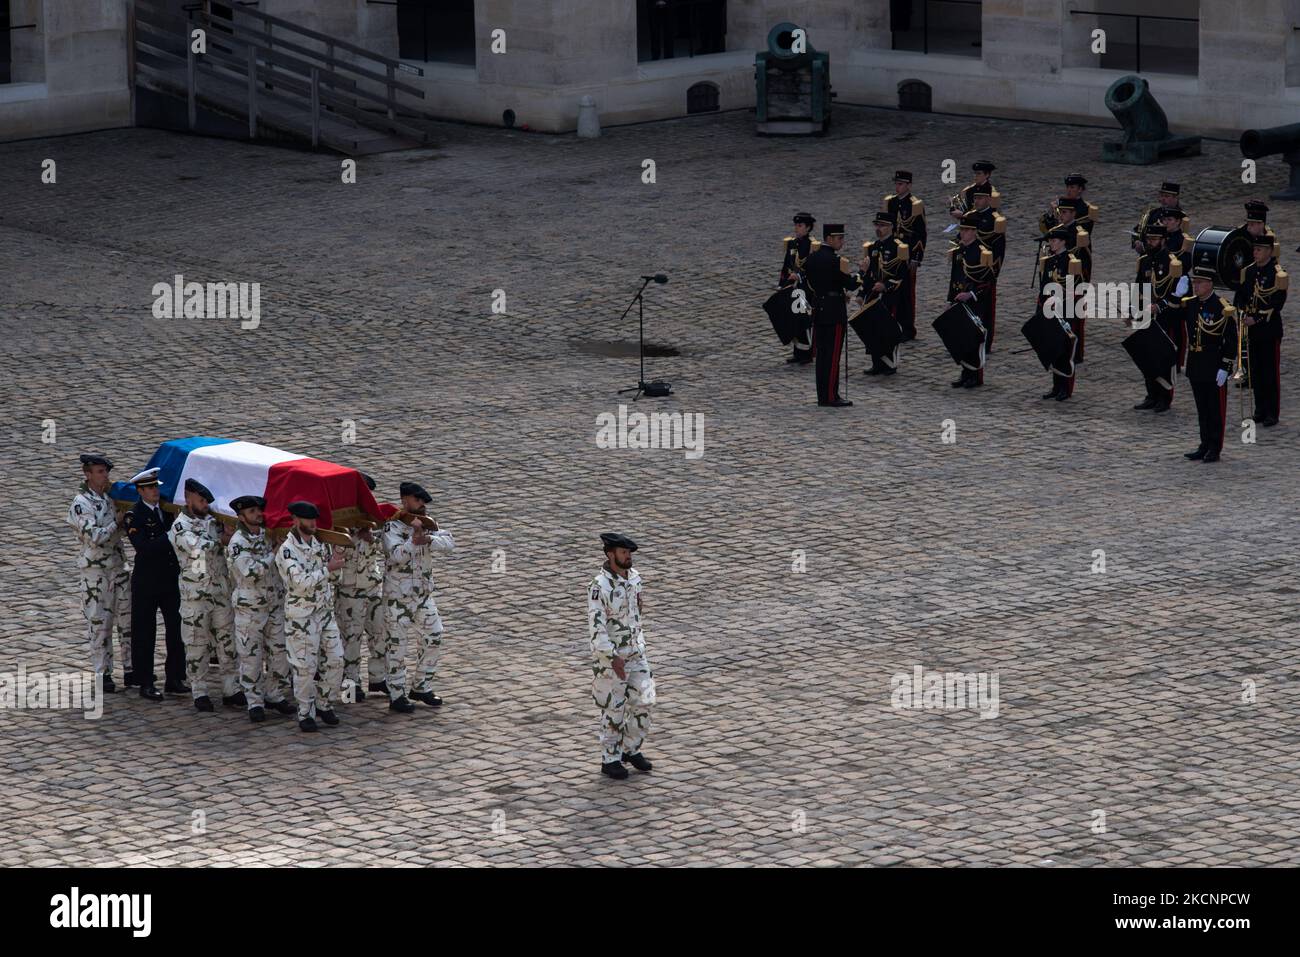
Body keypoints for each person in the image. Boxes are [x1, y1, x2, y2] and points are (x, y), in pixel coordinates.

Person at [381, 482, 456, 712]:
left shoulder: (428, 524)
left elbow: (450, 543)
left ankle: (421, 685)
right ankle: (396, 695)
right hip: (397, 598)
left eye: (423, 501)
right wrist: (413, 541)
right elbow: (395, 556)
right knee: (397, 647)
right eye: (418, 500)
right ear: (405, 500)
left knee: (434, 635)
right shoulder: (391, 527)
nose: (422, 504)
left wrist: (429, 539)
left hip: (422, 596)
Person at [168, 478, 239, 712]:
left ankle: (231, 689)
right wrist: (222, 539)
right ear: (188, 498)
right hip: (195, 596)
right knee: (197, 645)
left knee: (227, 642)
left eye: (208, 501)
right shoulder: (179, 526)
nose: (206, 505)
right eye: (201, 500)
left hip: (219, 591)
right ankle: (199, 691)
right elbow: (197, 546)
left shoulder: (212, 521)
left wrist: (228, 533)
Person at [275, 500, 346, 732]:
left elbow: (336, 579)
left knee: (336, 659)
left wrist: (337, 561)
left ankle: (325, 703)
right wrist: (328, 569)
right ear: (295, 521)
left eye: (314, 519)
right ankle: (305, 712)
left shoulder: (320, 545)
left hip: (324, 613)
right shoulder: (287, 551)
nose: (313, 524)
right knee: (305, 667)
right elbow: (299, 583)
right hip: (301, 617)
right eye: (308, 520)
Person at [588, 533, 654, 780]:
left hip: (636, 653)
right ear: (610, 554)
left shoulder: (635, 579)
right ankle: (610, 759)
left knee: (645, 701)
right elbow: (597, 627)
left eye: (629, 553)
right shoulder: (599, 587)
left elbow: (637, 610)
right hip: (612, 658)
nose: (628, 557)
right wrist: (611, 656)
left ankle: (631, 749)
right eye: (623, 553)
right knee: (613, 709)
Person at [66, 454, 133, 693]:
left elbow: (122, 533)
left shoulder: (112, 498)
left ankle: (130, 668)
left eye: (106, 471)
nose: (105, 476)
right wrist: (116, 523)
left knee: (127, 620)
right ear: (88, 474)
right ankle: (103, 672)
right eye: (100, 472)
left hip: (119, 567)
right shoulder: (81, 503)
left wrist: (123, 524)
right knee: (100, 623)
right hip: (96, 572)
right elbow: (94, 536)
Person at [227, 495, 295, 722]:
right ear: (241, 516)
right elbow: (251, 571)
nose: (257, 514)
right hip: (250, 609)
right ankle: (254, 701)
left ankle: (274, 694)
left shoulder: (268, 535)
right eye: (252, 511)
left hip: (274, 605)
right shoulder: (238, 542)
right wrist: (273, 553)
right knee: (251, 657)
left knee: (279, 653)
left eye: (259, 510)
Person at [123, 468, 185, 700]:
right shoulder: (134, 515)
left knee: (177, 630)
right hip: (147, 581)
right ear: (140, 491)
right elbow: (143, 547)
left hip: (170, 579)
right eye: (149, 488)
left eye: (156, 487)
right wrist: (170, 535)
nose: (155, 491)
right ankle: (145, 681)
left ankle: (175, 677)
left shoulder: (168, 511)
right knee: (145, 633)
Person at [1182, 267, 1238, 463]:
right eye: (1194, 282)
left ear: (1210, 284)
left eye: (1199, 282)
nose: (1195, 286)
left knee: (1215, 408)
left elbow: (1231, 340)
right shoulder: (1190, 305)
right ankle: (1204, 443)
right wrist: (1175, 295)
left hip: (1214, 365)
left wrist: (1226, 366)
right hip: (1196, 364)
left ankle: (1215, 446)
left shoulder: (1222, 307)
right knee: (1202, 408)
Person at [1131, 223, 1188, 414]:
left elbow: (1180, 291)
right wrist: (1133, 311)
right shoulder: (1145, 260)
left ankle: (1165, 397)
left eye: (1154, 240)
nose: (1150, 243)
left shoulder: (1173, 263)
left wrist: (1160, 306)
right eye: (1148, 239)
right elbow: (1139, 287)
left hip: (1165, 318)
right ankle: (1151, 395)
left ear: (1163, 241)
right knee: (1147, 358)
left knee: (1163, 359)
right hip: (1147, 317)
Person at [1234, 234, 1288, 426]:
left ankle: (1272, 412)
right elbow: (1240, 296)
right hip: (1251, 329)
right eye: (1254, 249)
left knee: (1269, 373)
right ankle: (1260, 409)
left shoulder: (1277, 273)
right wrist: (1242, 313)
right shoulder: (1249, 272)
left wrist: (1256, 318)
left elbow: (1277, 302)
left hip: (1268, 329)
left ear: (1269, 252)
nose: (1255, 253)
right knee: (1255, 371)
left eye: (1259, 250)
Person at [802, 222, 857, 407]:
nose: (842, 241)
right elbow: (850, 284)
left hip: (819, 308)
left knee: (822, 355)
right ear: (829, 239)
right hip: (834, 310)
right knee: (832, 356)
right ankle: (831, 397)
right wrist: (863, 272)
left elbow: (807, 283)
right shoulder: (835, 261)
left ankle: (822, 395)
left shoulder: (812, 258)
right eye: (839, 238)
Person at [944, 210, 997, 388]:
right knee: (962, 338)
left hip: (976, 301)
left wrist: (971, 294)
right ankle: (965, 372)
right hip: (959, 299)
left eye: (967, 230)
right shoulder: (958, 251)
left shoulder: (983, 252)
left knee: (974, 338)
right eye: (962, 229)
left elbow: (988, 281)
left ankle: (976, 375)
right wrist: (950, 300)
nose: (963, 233)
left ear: (974, 231)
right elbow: (955, 278)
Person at [858, 212, 909, 376]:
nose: (879, 229)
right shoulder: (872, 248)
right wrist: (861, 293)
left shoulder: (898, 248)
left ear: (890, 227)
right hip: (873, 296)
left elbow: (903, 276)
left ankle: (890, 363)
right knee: (873, 329)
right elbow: (868, 274)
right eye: (877, 225)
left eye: (882, 226)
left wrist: (886, 286)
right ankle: (876, 362)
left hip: (889, 296)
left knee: (887, 329)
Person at [1037, 224, 1083, 401]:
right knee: (1054, 349)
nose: (1051, 243)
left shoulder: (1072, 262)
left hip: (1066, 312)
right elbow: (1043, 289)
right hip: (1051, 313)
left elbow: (1077, 289)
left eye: (1054, 240)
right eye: (1050, 240)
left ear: (1063, 242)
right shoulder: (1048, 261)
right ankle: (1056, 386)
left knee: (1065, 351)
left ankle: (1066, 387)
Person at [882, 170, 926, 340]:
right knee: (892, 291)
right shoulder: (890, 202)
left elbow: (921, 234)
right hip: (892, 255)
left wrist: (916, 258)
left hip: (907, 253)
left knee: (907, 294)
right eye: (897, 184)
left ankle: (908, 328)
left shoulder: (915, 204)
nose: (898, 187)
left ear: (908, 185)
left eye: (901, 184)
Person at [778, 212, 819, 365]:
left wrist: (800, 276)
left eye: (800, 225)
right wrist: (782, 284)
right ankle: (797, 351)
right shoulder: (792, 243)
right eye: (796, 225)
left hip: (806, 289)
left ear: (808, 228)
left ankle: (807, 353)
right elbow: (786, 266)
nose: (797, 228)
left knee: (805, 321)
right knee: (794, 320)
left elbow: (813, 268)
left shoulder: (813, 245)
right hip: (792, 288)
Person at [1131, 182, 1184, 252]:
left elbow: (1174, 241)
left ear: (1176, 198)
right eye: (1161, 196)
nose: (1163, 199)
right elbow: (1137, 230)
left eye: (1167, 196)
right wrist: (1136, 242)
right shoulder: (1153, 213)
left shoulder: (1179, 217)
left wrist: (1145, 247)